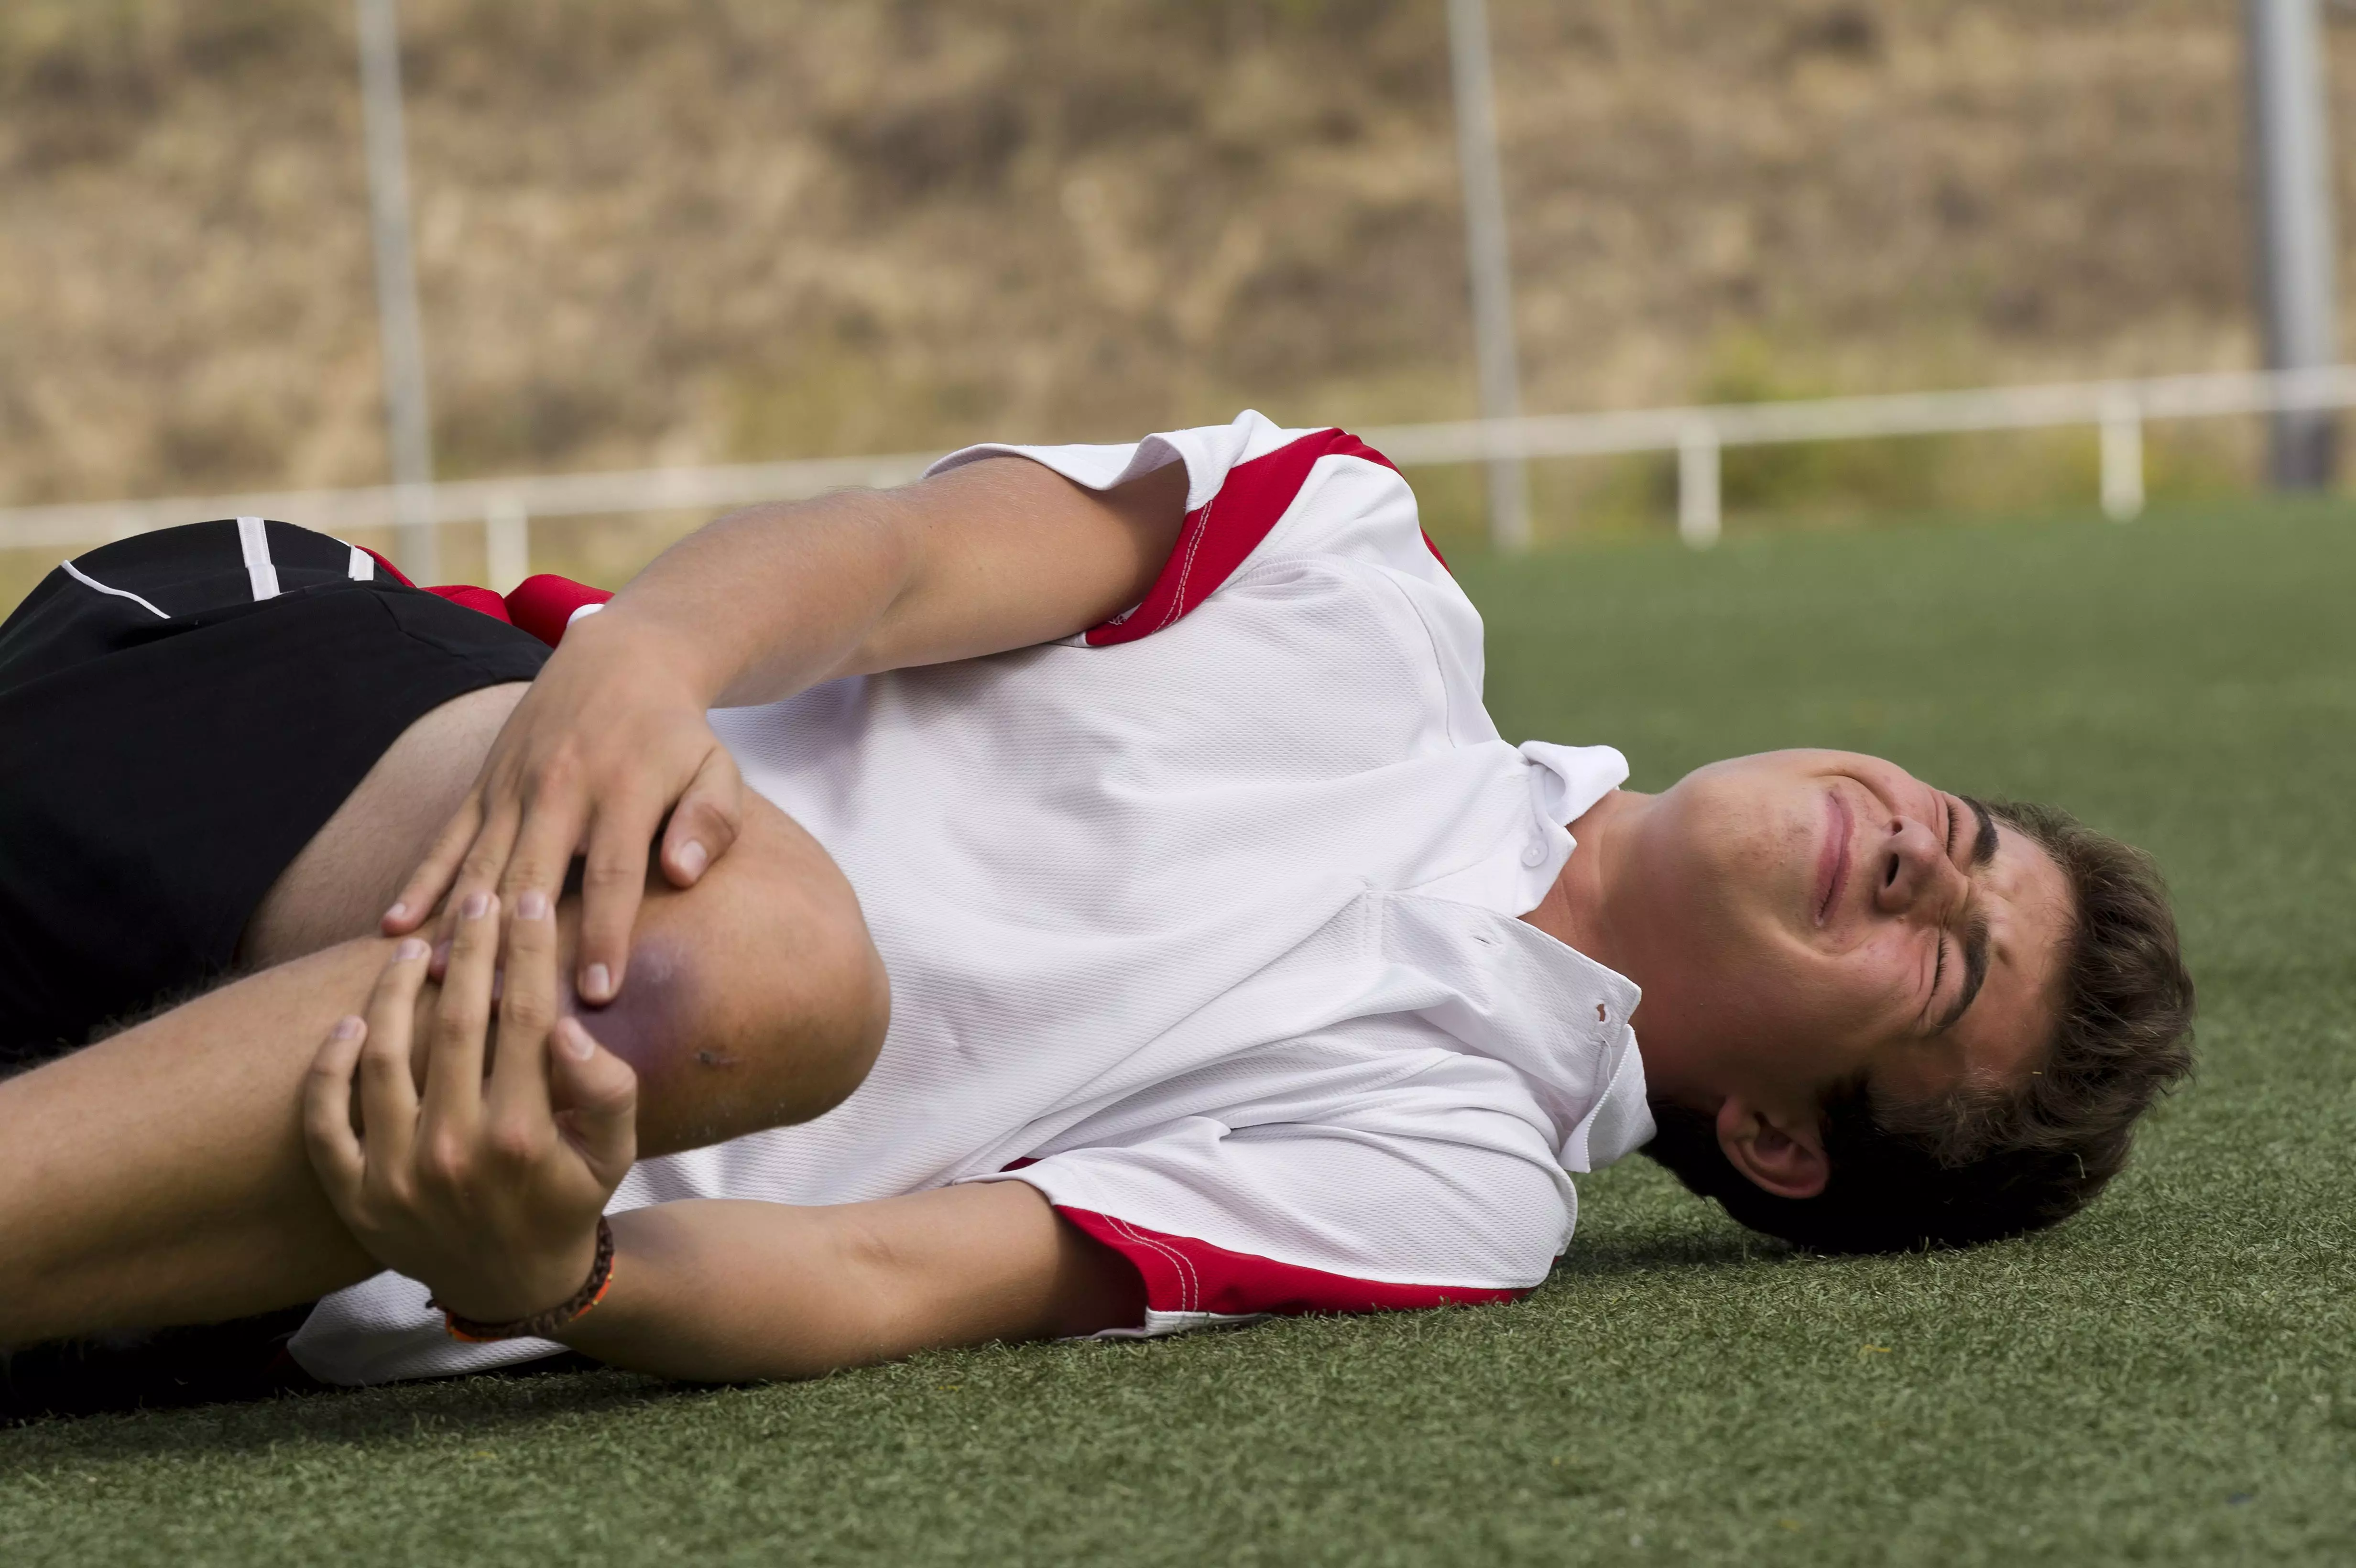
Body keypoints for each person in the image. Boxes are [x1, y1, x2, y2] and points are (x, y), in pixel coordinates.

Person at [0, 413, 2193, 1405]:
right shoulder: (1347, 565)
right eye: (1970, 830)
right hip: (304, 722)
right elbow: (883, 558)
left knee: (635, 1042)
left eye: (1945, 966)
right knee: (754, 963)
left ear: (1786, 1141)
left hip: (275, 1222)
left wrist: (555, 1268)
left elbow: (878, 1271)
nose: (1926, 855)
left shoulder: (1444, 1188)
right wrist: (649, 663)